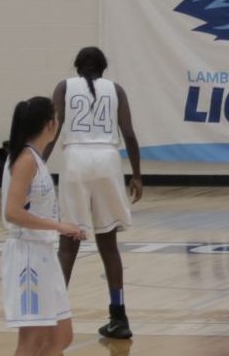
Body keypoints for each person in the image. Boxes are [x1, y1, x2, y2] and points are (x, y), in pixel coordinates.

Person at [49, 47, 142, 340]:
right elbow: (128, 133)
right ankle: (119, 316)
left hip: (76, 159)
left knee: (68, 244)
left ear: (77, 67)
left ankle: (54, 316)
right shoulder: (116, 89)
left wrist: (36, 163)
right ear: (104, 68)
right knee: (108, 243)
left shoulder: (64, 86)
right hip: (107, 160)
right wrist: (137, 174)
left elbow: (53, 128)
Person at [1, 95, 83, 356]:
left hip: (43, 254)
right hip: (28, 259)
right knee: (32, 342)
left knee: (62, 336)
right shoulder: (25, 160)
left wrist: (62, 226)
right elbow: (12, 212)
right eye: (57, 117)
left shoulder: (36, 158)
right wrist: (58, 227)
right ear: (49, 124)